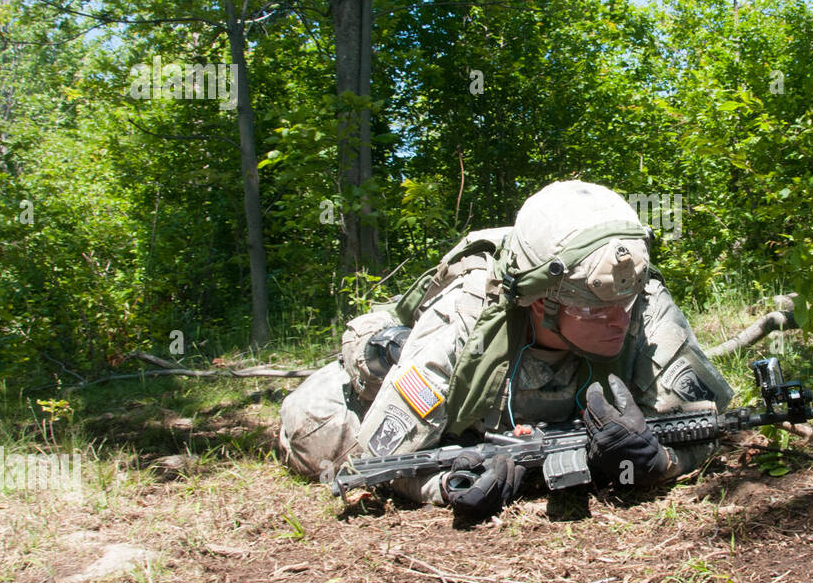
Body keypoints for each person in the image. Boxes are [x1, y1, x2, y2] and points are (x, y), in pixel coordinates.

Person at [278, 180, 733, 518]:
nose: (619, 319)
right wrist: (450, 485)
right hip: (405, 384)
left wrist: (659, 461)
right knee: (314, 424)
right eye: (594, 311)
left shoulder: (638, 299)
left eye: (626, 304)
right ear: (539, 302)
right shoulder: (464, 318)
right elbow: (378, 461)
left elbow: (714, 421)